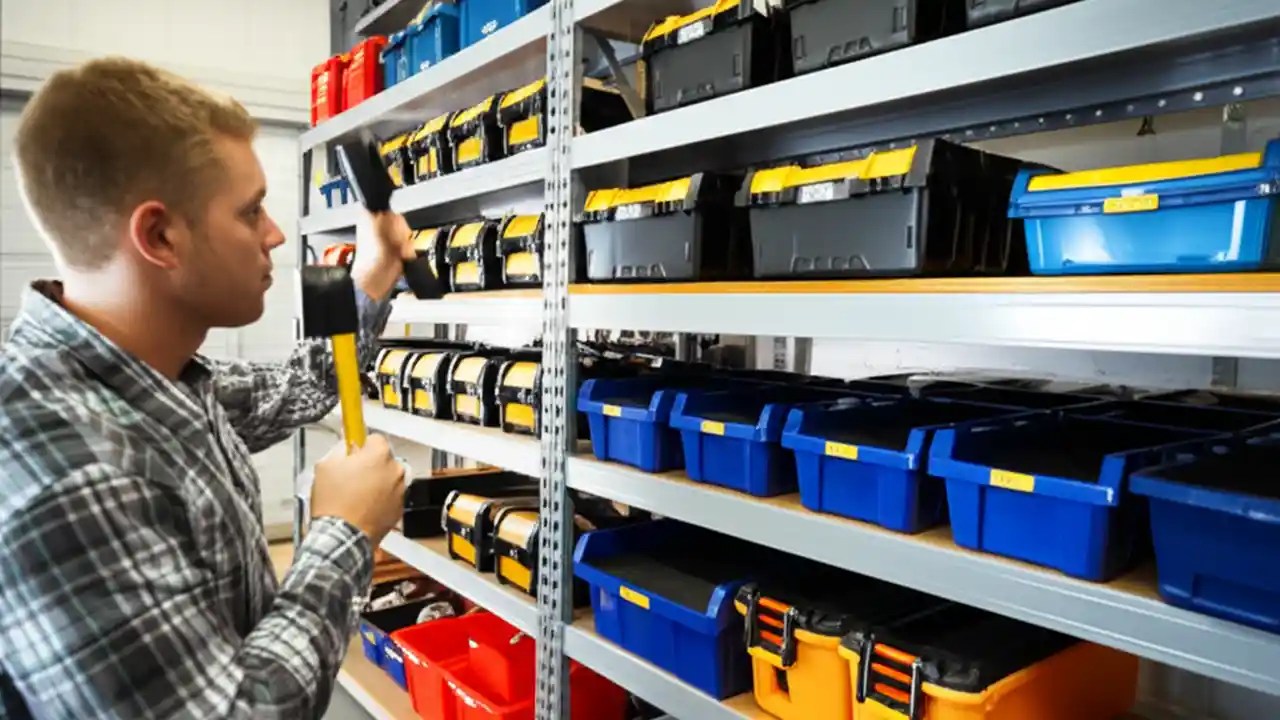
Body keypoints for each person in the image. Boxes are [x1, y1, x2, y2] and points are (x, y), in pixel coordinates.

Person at [0, 57, 413, 719]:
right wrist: (344, 532)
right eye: (251, 212)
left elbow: (294, 391)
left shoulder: (152, 380)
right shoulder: (71, 472)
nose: (276, 234)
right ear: (160, 235)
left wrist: (372, 272)